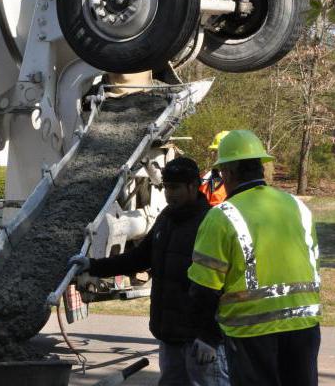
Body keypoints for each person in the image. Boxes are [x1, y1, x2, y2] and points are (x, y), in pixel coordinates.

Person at [69, 157, 230, 385]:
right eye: (166, 187)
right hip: (170, 336)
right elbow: (138, 258)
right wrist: (93, 265)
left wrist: (209, 336)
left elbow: (219, 285)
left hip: (199, 341)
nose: (169, 194)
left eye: (175, 188)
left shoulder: (210, 223)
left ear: (193, 186)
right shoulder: (166, 219)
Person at [188, 130, 320, 386]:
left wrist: (205, 335)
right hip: (304, 325)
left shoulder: (221, 216)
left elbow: (203, 288)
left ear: (228, 172)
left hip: (252, 331)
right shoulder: (298, 206)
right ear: (261, 167)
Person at [199, 131, 229, 206]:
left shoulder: (241, 181)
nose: (214, 154)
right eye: (214, 151)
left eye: (217, 152)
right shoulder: (207, 178)